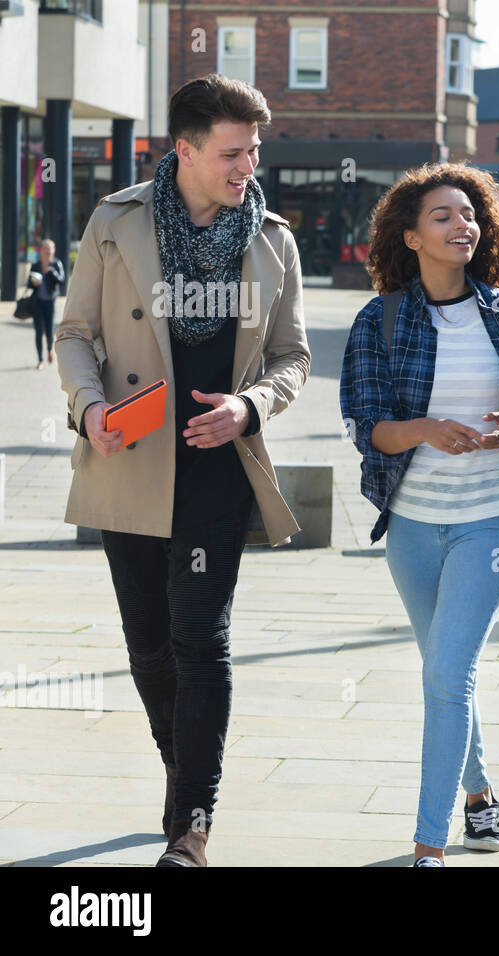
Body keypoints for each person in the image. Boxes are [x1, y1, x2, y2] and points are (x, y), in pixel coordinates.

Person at [54, 73, 310, 867]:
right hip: (129, 462)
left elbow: (291, 356)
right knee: (149, 647)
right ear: (187, 151)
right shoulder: (115, 219)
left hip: (215, 471)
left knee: (202, 639)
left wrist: (252, 407)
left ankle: (193, 822)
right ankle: (181, 764)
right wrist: (89, 409)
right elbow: (74, 334)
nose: (247, 167)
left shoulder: (272, 236)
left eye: (255, 151)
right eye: (232, 153)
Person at [340, 163, 499, 868]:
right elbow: (368, 428)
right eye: (443, 216)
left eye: (470, 214)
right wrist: (425, 428)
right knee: (441, 670)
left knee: (448, 674)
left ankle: (429, 845)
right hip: (414, 529)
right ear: (410, 236)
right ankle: (481, 793)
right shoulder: (382, 320)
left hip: (491, 518)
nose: (463, 225)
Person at [28, 239, 66, 369]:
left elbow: (62, 281)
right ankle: (40, 360)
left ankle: (49, 349)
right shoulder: (35, 265)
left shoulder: (56, 264)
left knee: (49, 331)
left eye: (50, 248)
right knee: (38, 331)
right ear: (41, 251)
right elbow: (29, 284)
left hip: (50, 302)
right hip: (37, 302)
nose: (47, 251)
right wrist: (33, 284)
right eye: (45, 248)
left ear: (53, 250)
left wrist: (52, 272)